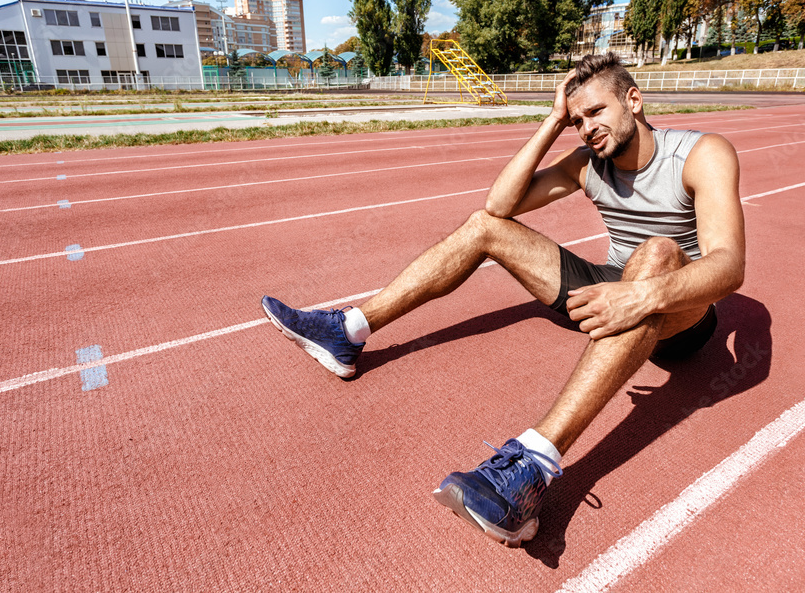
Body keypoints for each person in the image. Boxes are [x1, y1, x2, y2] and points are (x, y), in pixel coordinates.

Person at [261, 52, 746, 547]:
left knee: (659, 252)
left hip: (680, 310)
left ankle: (532, 468)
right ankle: (349, 331)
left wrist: (641, 296)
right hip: (610, 286)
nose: (587, 128)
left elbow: (729, 266)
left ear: (634, 101)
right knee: (483, 226)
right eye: (577, 120)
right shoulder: (587, 164)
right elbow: (500, 205)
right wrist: (552, 121)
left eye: (596, 112)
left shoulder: (701, 153)